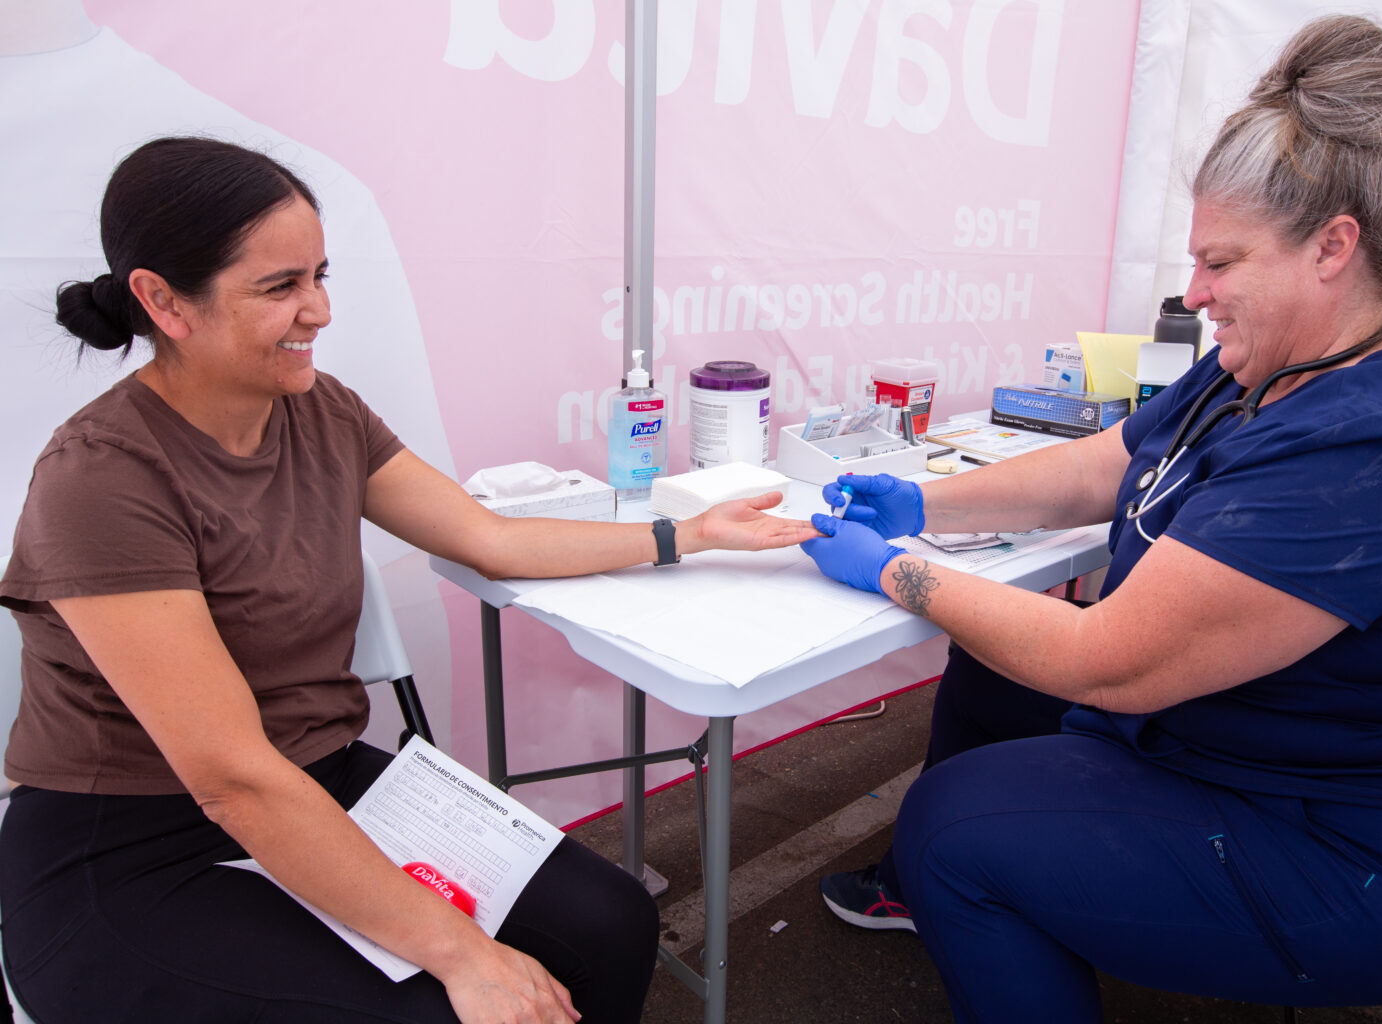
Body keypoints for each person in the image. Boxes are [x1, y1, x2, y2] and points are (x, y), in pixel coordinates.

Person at [801, 15, 1382, 1022]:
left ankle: (968, 885)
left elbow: (1110, 658)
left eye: (1221, 263)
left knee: (948, 828)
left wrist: (897, 571)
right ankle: (1002, 894)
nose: (1194, 294)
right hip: (1272, 748)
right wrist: (924, 497)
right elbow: (1108, 464)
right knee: (993, 668)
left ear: (1334, 246)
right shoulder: (1270, 360)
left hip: (1380, 852)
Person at [0, 137, 820, 1024]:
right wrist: (464, 955)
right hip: (131, 846)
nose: (317, 310)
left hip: (315, 779)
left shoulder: (320, 410)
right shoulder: (104, 476)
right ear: (163, 301)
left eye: (320, 275)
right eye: (280, 288)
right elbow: (229, 778)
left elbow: (486, 537)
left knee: (611, 923)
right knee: (442, 1007)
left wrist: (686, 534)